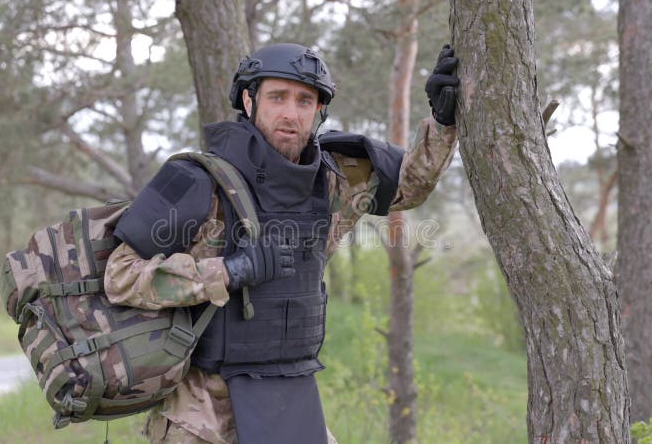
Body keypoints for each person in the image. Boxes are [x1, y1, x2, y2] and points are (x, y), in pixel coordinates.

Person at [103, 42, 460, 444]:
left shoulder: (333, 180)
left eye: (305, 101)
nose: (291, 113)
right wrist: (228, 272)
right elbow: (120, 277)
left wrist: (443, 122)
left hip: (291, 399)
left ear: (318, 110)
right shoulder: (196, 180)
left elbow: (409, 186)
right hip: (202, 412)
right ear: (248, 99)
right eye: (277, 97)